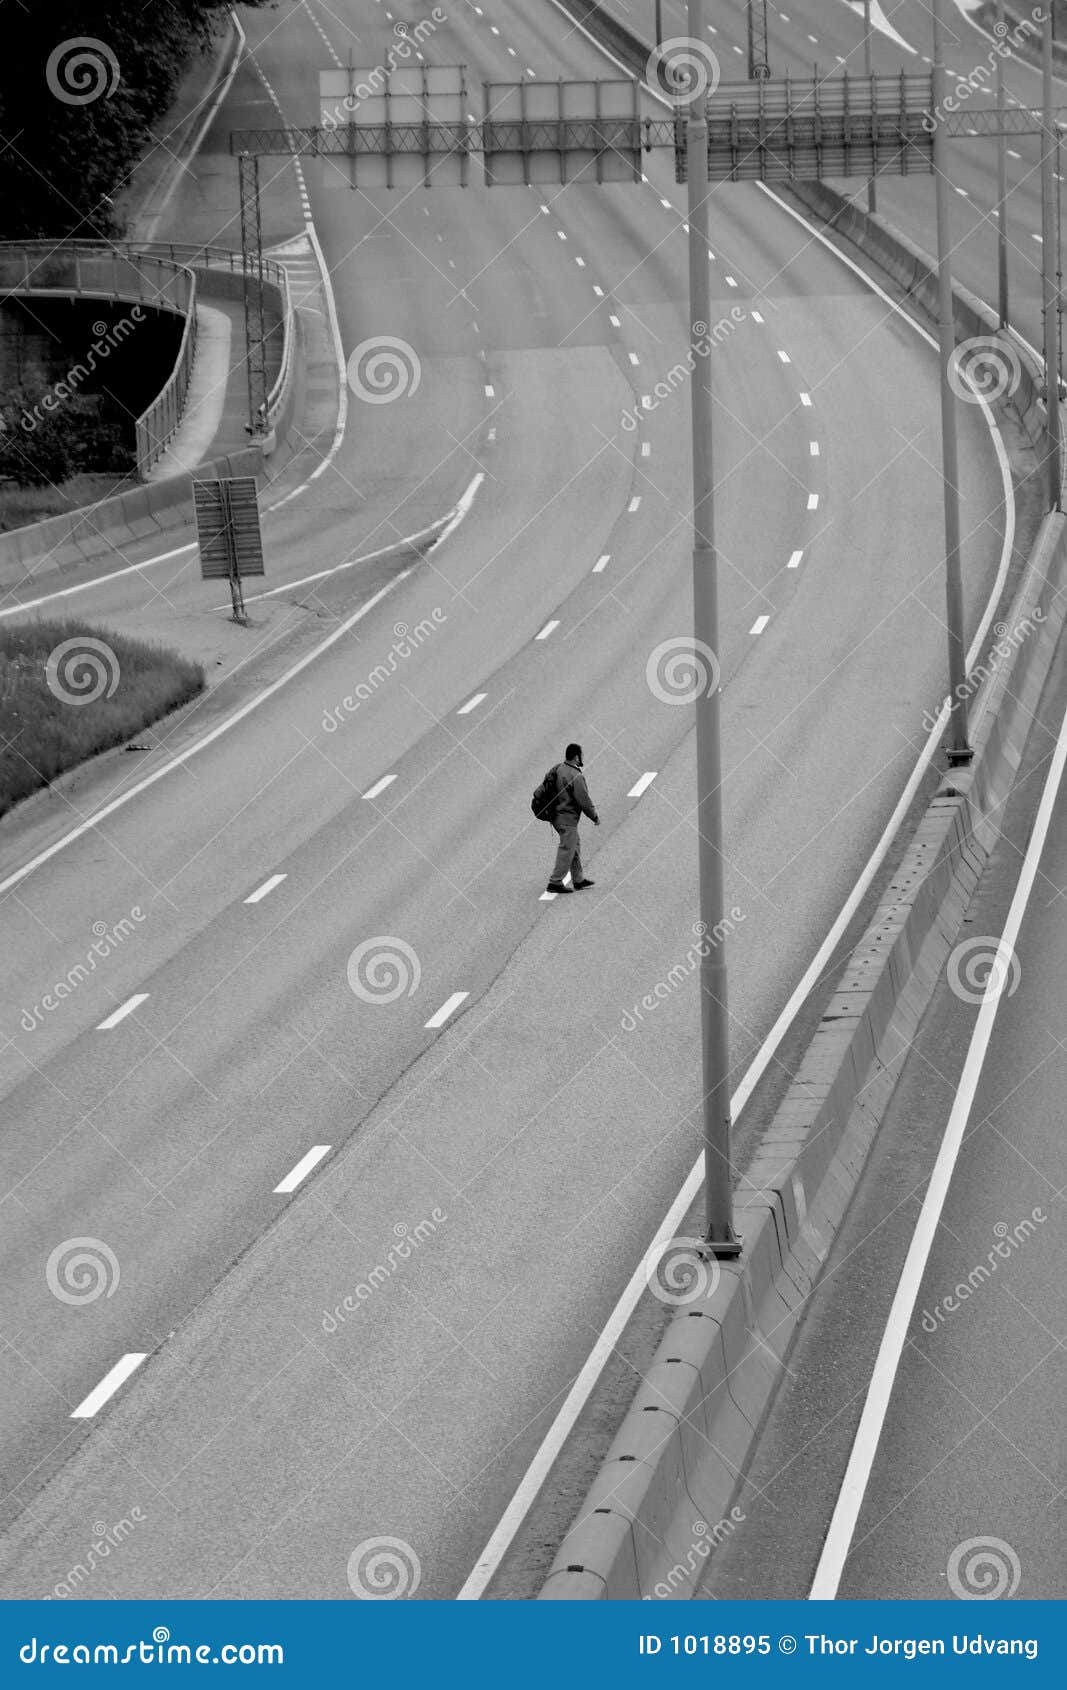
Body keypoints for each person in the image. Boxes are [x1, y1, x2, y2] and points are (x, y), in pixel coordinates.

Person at [547, 743, 599, 894]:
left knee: (574, 845)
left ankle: (578, 880)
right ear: (577, 757)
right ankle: (555, 882)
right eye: (581, 755)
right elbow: (584, 800)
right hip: (566, 818)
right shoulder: (575, 776)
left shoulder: (558, 768)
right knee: (567, 848)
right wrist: (594, 816)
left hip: (555, 815)